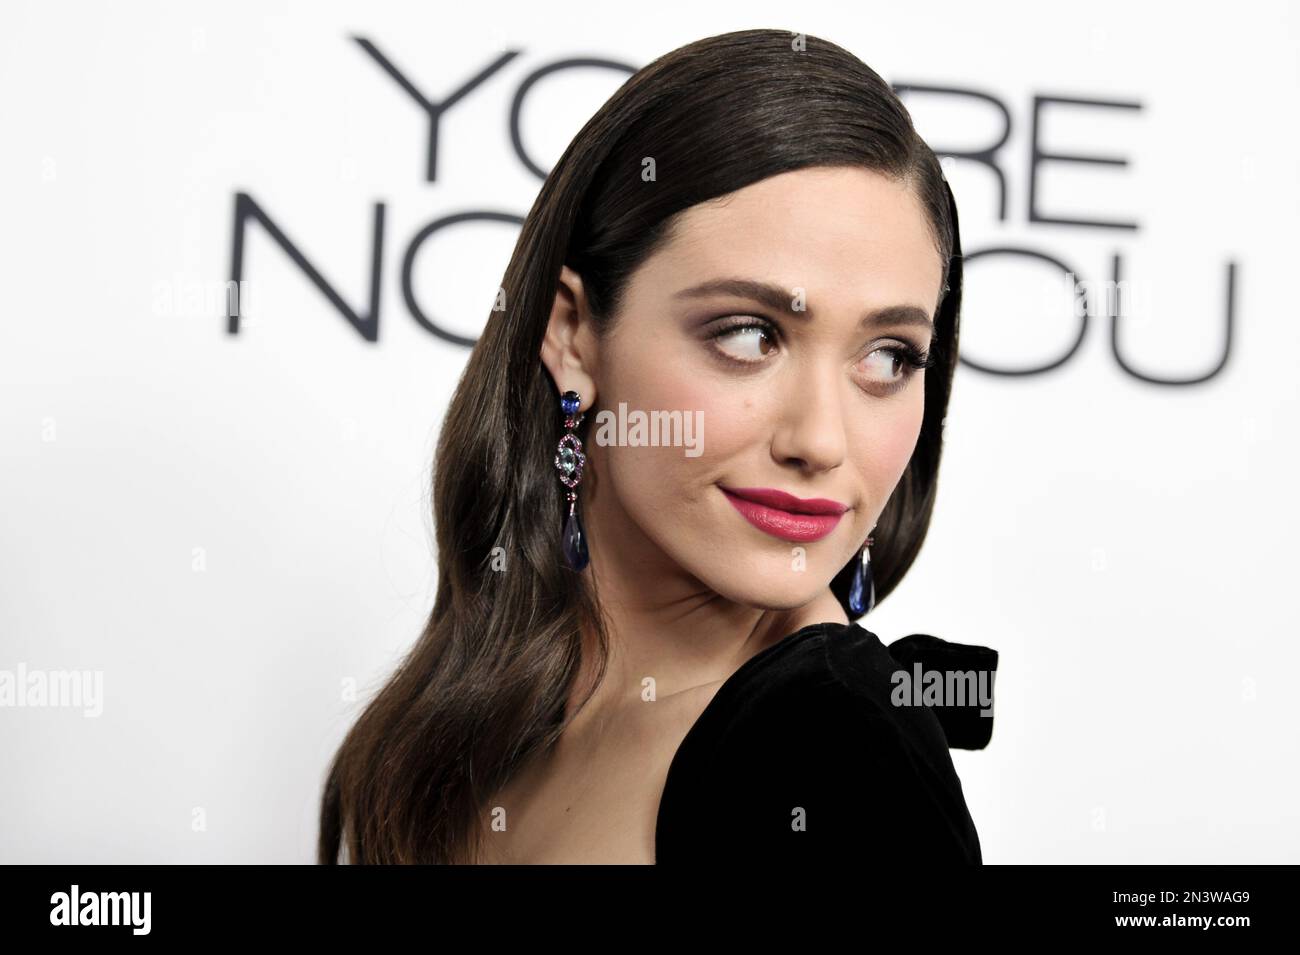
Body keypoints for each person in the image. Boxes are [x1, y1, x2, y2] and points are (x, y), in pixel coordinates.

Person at [318, 27, 998, 865]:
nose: (821, 440)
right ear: (572, 333)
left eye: (890, 357)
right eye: (748, 335)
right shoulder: (465, 715)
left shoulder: (835, 747)